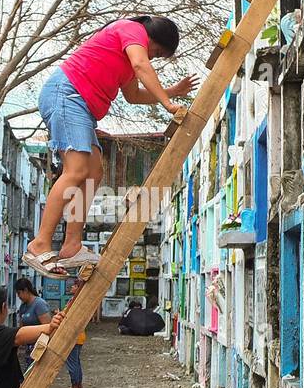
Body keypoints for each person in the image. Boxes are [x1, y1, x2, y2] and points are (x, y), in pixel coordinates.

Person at [22, 16, 196, 278]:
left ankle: (71, 246)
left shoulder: (126, 60)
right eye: (157, 52)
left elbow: (133, 96)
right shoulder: (131, 29)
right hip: (68, 95)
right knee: (76, 170)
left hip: (79, 106)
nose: (154, 57)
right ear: (151, 38)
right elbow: (141, 63)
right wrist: (168, 105)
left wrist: (172, 91)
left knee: (93, 173)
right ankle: (40, 244)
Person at [14, 278, 52, 388]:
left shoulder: (39, 305)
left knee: (40, 378)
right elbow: (22, 326)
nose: (18, 296)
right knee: (29, 378)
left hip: (40, 346)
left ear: (25, 291)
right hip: (28, 348)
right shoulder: (24, 307)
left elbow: (48, 327)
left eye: (19, 293)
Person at [60, 275, 86, 388]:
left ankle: (75, 386)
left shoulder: (74, 302)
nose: (72, 287)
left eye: (75, 285)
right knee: (76, 361)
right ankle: (79, 385)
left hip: (73, 335)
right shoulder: (80, 301)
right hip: (79, 335)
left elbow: (67, 315)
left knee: (72, 362)